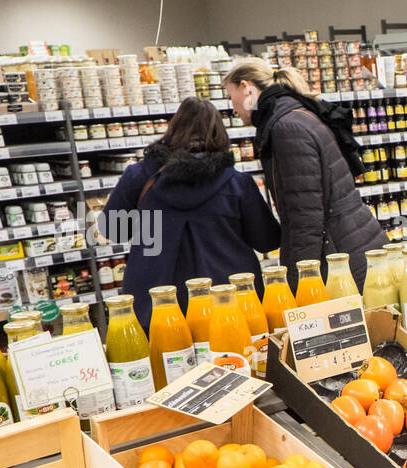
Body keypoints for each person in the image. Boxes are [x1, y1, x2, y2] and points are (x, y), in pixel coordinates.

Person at [101, 96, 276, 327]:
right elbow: (266, 240)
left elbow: (114, 231)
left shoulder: (139, 177)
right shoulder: (237, 183)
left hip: (157, 305)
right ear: (220, 134)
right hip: (227, 301)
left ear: (173, 130)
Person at [223, 59, 386, 291]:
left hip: (339, 257)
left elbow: (305, 216)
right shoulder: (293, 113)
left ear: (246, 87)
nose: (233, 107)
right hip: (350, 245)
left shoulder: (285, 128)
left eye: (231, 97)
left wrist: (302, 281)